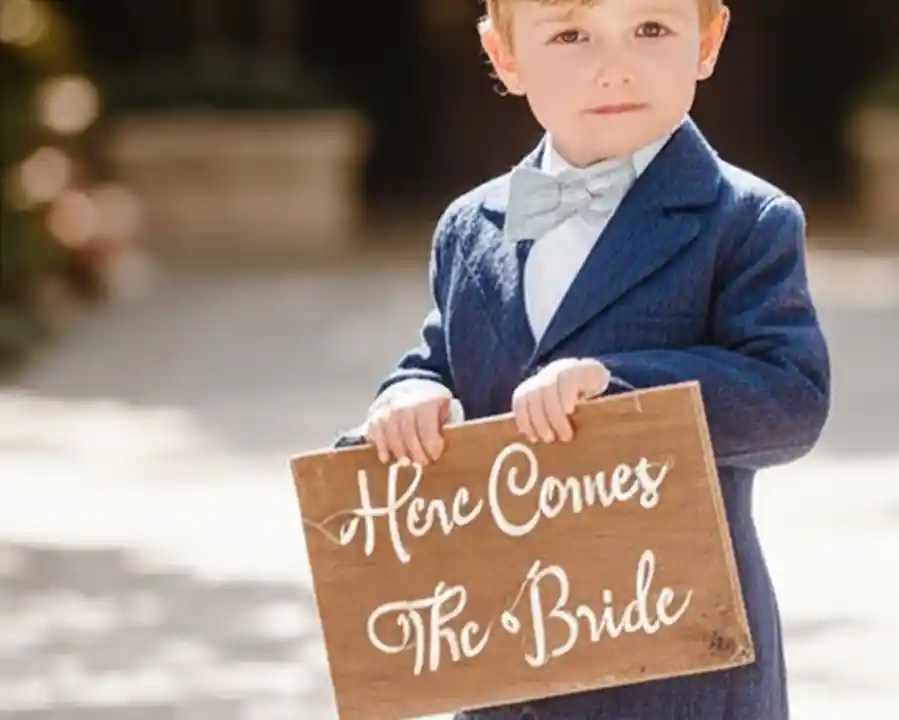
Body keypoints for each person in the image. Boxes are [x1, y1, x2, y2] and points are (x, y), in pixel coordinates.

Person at [334, 0, 831, 717]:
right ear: (505, 58)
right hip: (508, 656)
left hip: (678, 664)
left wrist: (620, 387)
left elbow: (792, 400)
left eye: (651, 29)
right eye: (570, 34)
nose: (614, 66)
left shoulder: (746, 222)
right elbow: (441, 359)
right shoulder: (470, 228)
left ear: (708, 40)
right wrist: (410, 395)